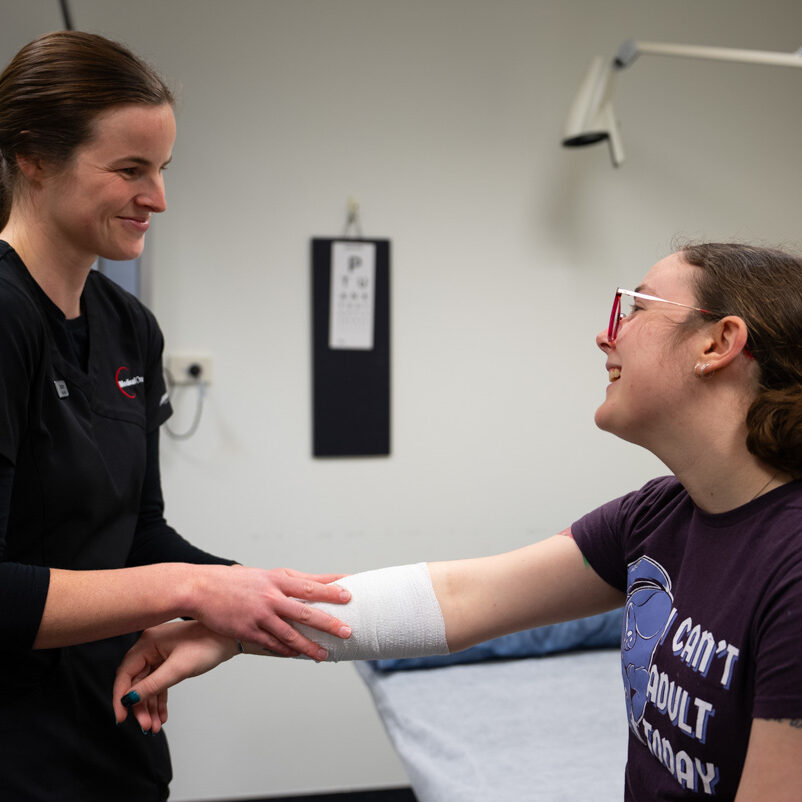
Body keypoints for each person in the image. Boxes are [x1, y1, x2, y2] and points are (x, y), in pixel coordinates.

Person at [114, 241, 802, 800]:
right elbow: (458, 601)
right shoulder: (660, 514)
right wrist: (236, 631)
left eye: (632, 307)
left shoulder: (791, 569)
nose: (604, 332)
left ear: (719, 342)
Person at [0, 31, 352, 802]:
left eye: (161, 170)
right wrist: (191, 591)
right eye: (130, 170)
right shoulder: (6, 318)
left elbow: (139, 531)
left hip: (115, 721)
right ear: (32, 157)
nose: (158, 198)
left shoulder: (129, 326)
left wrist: (254, 596)